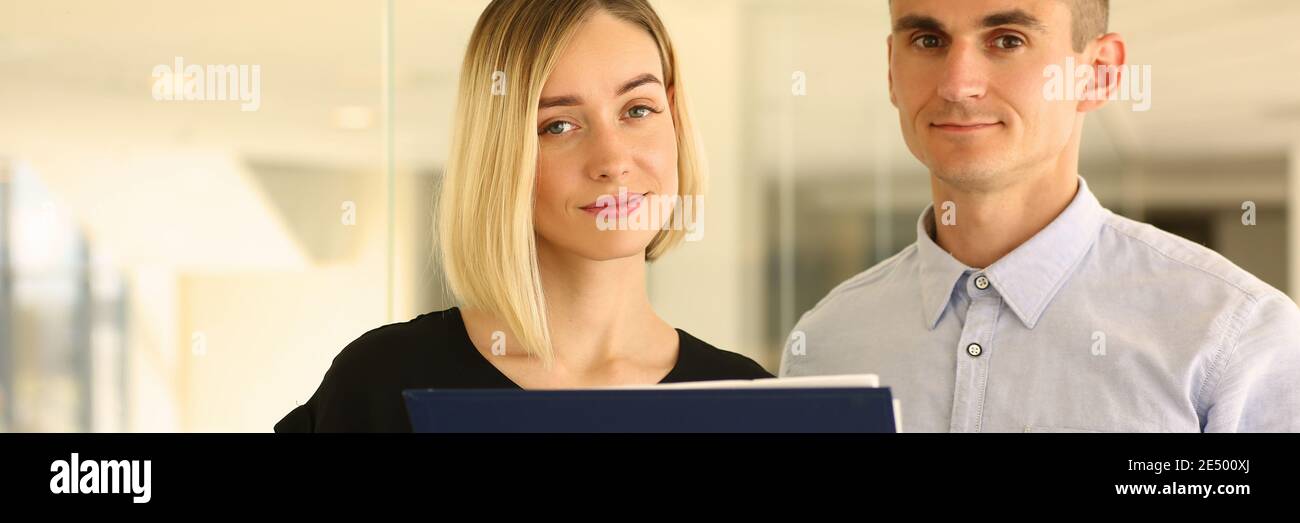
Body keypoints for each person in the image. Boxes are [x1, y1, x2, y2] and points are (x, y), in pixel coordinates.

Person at [781, 0, 1300, 432]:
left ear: (1098, 74)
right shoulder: (825, 344)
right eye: (928, 40)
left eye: (1008, 40)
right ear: (892, 69)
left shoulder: (1235, 339)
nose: (957, 85)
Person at [277, 0, 770, 433]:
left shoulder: (756, 402)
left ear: (675, 118)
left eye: (637, 110)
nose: (613, 160)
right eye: (558, 125)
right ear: (500, 153)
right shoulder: (383, 384)